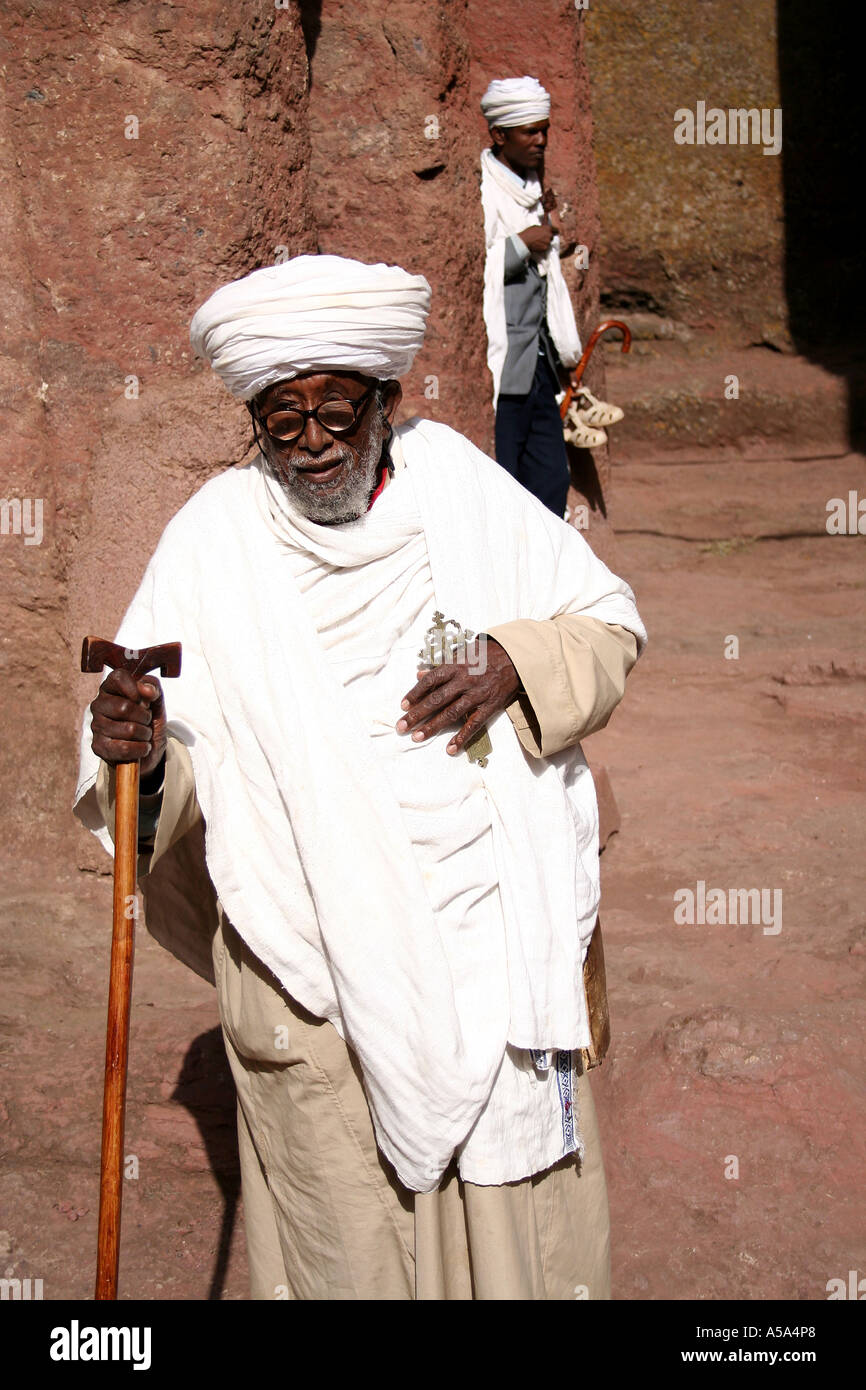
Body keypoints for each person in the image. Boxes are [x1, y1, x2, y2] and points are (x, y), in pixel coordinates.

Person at [75, 254, 646, 1300]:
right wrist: (138, 750)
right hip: (316, 963)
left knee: (522, 1249)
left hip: (492, 935)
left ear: (385, 400)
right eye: (281, 422)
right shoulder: (214, 539)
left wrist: (515, 659)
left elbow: (604, 626)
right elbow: (167, 764)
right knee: (349, 1246)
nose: (311, 446)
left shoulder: (458, 485)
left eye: (335, 414)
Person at [481, 75, 606, 516]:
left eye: (544, 130)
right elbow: (474, 263)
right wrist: (519, 245)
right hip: (505, 363)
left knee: (551, 478)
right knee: (505, 479)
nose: (540, 140)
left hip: (539, 364)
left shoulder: (533, 188)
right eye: (529, 131)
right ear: (499, 135)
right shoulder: (483, 188)